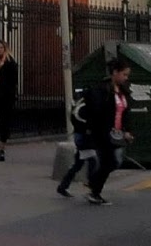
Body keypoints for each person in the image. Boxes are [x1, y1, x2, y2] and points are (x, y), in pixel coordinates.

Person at [81, 57, 132, 205]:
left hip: (117, 133)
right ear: (115, 72)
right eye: (124, 74)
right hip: (103, 133)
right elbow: (97, 112)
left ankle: (93, 185)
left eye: (127, 75)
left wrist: (127, 130)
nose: (126, 78)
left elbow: (125, 113)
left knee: (114, 162)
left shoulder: (123, 91)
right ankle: (94, 191)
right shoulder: (103, 90)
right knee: (110, 161)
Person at [56, 88, 97, 198]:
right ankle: (91, 184)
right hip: (84, 137)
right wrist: (89, 129)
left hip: (81, 136)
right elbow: (85, 121)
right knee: (93, 160)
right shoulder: (83, 107)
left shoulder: (78, 105)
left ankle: (63, 186)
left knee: (78, 164)